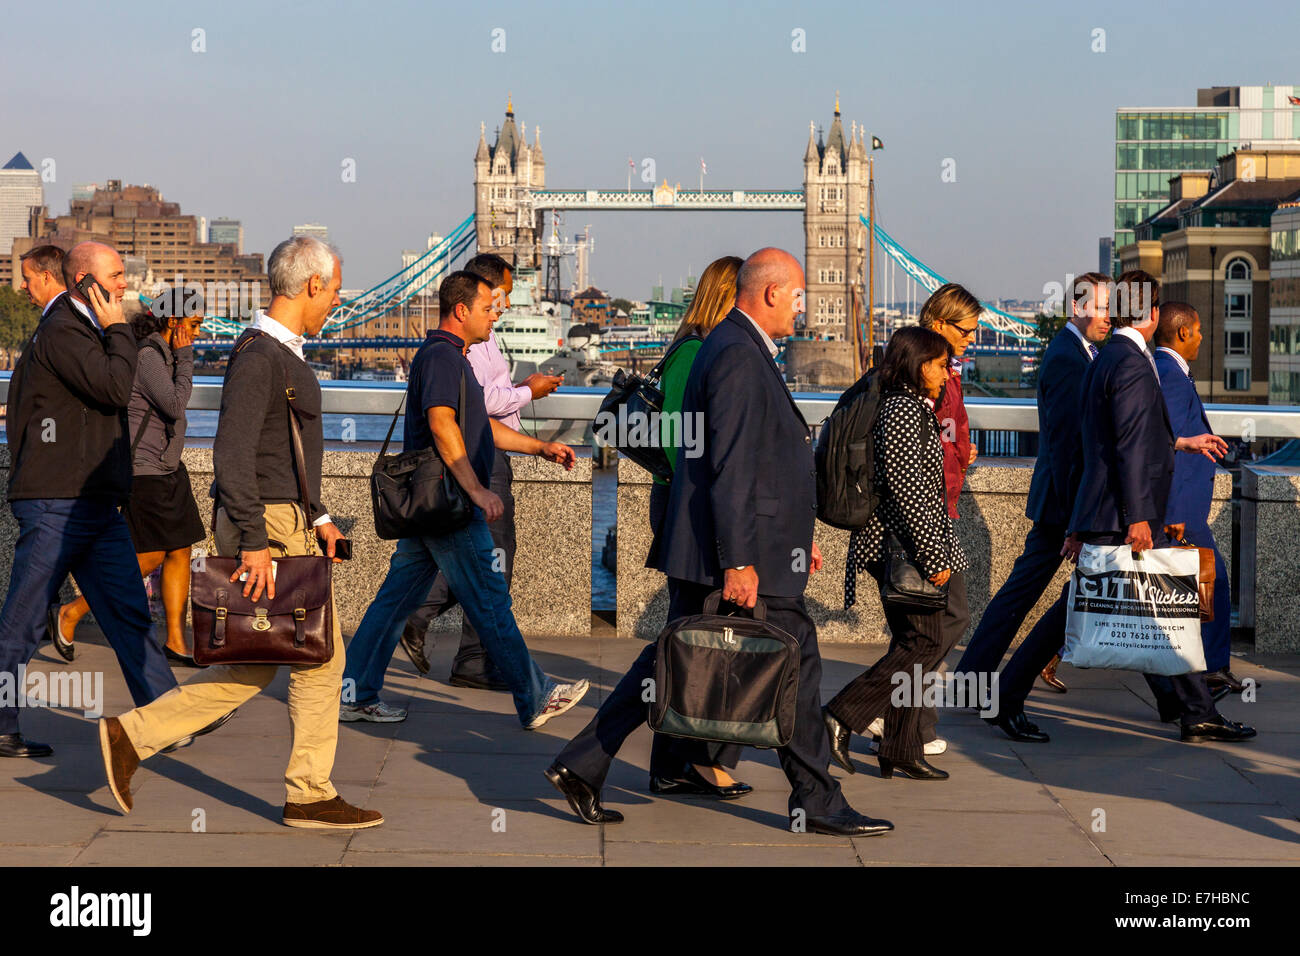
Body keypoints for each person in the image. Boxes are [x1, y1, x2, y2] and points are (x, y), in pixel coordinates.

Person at [547, 247, 893, 837]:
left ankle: (583, 763)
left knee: (670, 661)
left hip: (740, 547)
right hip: (729, 556)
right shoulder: (735, 354)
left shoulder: (739, 347)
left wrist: (791, 534)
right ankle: (817, 798)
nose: (804, 306)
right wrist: (741, 560)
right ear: (771, 293)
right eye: (799, 295)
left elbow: (757, 464)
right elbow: (729, 467)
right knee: (796, 662)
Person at [99, 235, 385, 829]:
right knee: (316, 659)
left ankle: (134, 736)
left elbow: (283, 452)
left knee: (263, 664)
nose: (337, 301)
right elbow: (231, 453)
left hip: (286, 519)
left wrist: (322, 515)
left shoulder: (280, 352)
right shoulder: (261, 356)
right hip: (268, 526)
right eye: (334, 290)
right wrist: (256, 540)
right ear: (311, 285)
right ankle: (307, 792)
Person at [982, 271, 1256, 745]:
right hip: (1121, 515)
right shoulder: (1131, 361)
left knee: (1157, 606)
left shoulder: (1110, 356)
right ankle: (1007, 696)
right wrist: (1138, 519)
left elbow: (1106, 439)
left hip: (1103, 509)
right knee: (1152, 606)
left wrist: (1180, 441)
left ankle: (1193, 708)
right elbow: (1127, 447)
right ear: (1151, 314)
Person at [338, 269, 589, 730]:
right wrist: (476, 488)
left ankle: (354, 693)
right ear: (461, 310)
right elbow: (441, 424)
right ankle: (535, 696)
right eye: (488, 308)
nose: (495, 315)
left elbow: (478, 427)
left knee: (394, 603)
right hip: (448, 502)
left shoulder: (459, 357)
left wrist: (540, 447)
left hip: (436, 503)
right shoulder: (442, 357)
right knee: (489, 599)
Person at [0, 241, 178, 759]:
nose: (126, 284)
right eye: (118, 275)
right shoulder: (65, 329)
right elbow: (116, 389)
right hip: (60, 502)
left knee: (127, 613)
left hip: (89, 502)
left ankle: (168, 715)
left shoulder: (75, 328)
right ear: (85, 282)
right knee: (25, 618)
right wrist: (121, 328)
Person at [397, 253, 563, 688]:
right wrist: (528, 391)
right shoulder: (452, 353)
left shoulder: (472, 343)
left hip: (486, 459)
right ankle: (494, 671)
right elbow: (461, 416)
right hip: (480, 465)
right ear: (473, 299)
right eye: (497, 299)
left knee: (460, 563)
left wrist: (538, 446)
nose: (501, 309)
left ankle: (411, 625)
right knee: (493, 563)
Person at [957, 272, 1111, 706]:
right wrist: (1075, 520)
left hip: (1065, 505)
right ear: (1077, 308)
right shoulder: (1068, 358)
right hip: (1063, 507)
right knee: (1022, 595)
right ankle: (983, 685)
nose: (1108, 316)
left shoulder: (1079, 352)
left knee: (1024, 594)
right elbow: (1065, 447)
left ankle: (976, 683)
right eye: (1100, 307)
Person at [822, 326, 963, 781]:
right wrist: (933, 557)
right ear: (921, 365)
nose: (947, 372)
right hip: (900, 545)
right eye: (942, 364)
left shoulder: (908, 406)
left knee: (915, 642)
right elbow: (907, 492)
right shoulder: (902, 410)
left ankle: (901, 748)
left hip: (904, 542)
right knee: (925, 642)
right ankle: (843, 713)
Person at [642, 254, 750, 799]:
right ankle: (683, 759)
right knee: (693, 638)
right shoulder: (693, 354)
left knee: (698, 637)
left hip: (700, 508)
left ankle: (685, 759)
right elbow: (680, 442)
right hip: (691, 511)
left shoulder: (708, 349)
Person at [49, 298, 206, 666]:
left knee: (180, 551)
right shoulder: (150, 355)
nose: (198, 334)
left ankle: (176, 641)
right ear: (173, 321)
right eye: (195, 324)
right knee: (146, 558)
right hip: (145, 470)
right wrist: (186, 358)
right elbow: (174, 404)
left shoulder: (165, 353)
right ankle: (71, 612)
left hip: (169, 468)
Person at [863, 283, 980, 758]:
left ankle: (910, 731)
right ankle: (873, 706)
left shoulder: (942, 372)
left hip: (937, 507)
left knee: (921, 630)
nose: (972, 339)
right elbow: (911, 463)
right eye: (966, 330)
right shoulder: (924, 378)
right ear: (939, 325)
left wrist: (959, 453)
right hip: (923, 518)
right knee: (944, 621)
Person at [1153, 301, 1241, 695]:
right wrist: (1174, 509)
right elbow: (1164, 444)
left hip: (1183, 507)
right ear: (1183, 332)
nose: (1203, 338)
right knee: (1213, 584)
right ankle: (1210, 672)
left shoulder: (1168, 369)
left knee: (1195, 590)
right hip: (1181, 511)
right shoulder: (1171, 374)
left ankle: (1200, 675)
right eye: (1200, 330)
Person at [18, 244, 67, 313]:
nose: (22, 286)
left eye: (27, 279)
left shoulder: (59, 319)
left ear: (46, 277)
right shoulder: (65, 311)